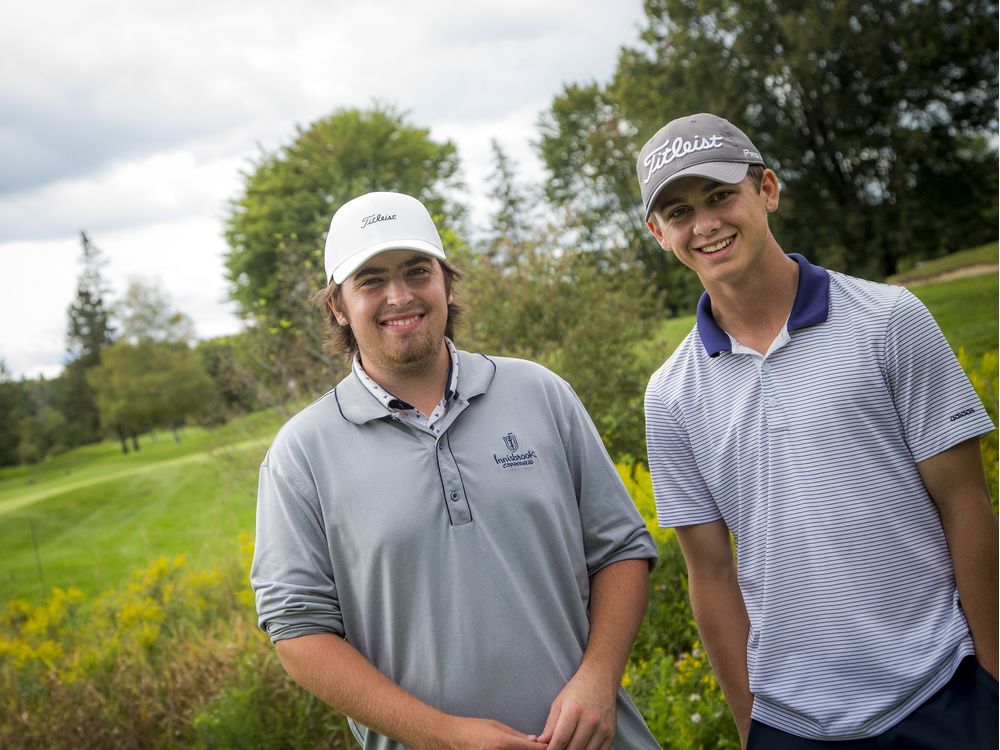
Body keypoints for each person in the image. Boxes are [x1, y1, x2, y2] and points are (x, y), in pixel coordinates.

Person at [636, 113, 998, 749]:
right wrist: (752, 728)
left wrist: (995, 682)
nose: (706, 224)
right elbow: (712, 574)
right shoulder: (669, 395)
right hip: (790, 723)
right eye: (680, 211)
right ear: (659, 233)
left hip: (941, 690)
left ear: (766, 190)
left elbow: (965, 503)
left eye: (721, 195)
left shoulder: (888, 320)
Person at [250, 191, 661, 750]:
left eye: (417, 271)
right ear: (338, 307)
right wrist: (444, 736)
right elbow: (298, 632)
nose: (399, 296)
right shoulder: (300, 454)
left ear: (446, 283)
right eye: (370, 280)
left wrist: (598, 680)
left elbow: (620, 550)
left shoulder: (540, 393)